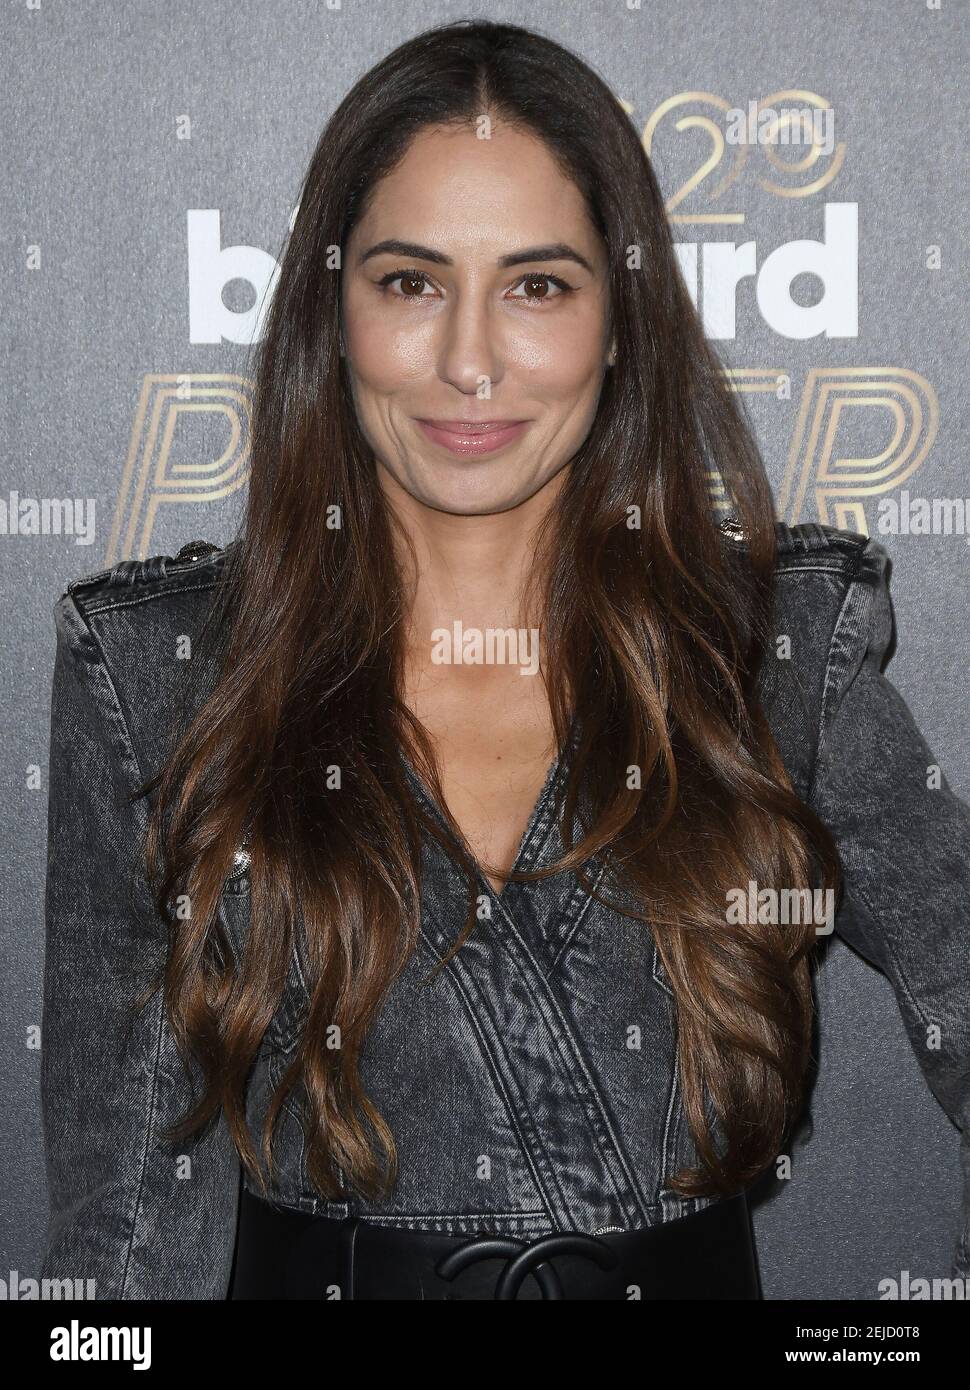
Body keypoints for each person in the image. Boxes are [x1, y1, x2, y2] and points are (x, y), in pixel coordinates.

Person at [39, 19, 970, 1301]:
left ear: (618, 319)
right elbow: (121, 1243)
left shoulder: (767, 650)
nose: (470, 360)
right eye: (411, 282)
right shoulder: (167, 670)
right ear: (333, 308)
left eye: (537, 285)